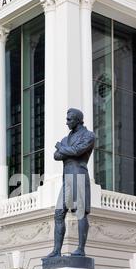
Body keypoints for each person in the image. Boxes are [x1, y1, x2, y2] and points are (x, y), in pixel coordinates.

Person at [47, 108, 95, 258]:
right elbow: (56, 156)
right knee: (58, 213)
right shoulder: (66, 138)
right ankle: (56, 251)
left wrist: (62, 148)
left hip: (79, 175)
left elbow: (76, 152)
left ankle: (81, 248)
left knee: (80, 212)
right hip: (67, 178)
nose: (66, 122)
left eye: (69, 119)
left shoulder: (88, 135)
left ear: (78, 120)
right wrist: (66, 150)